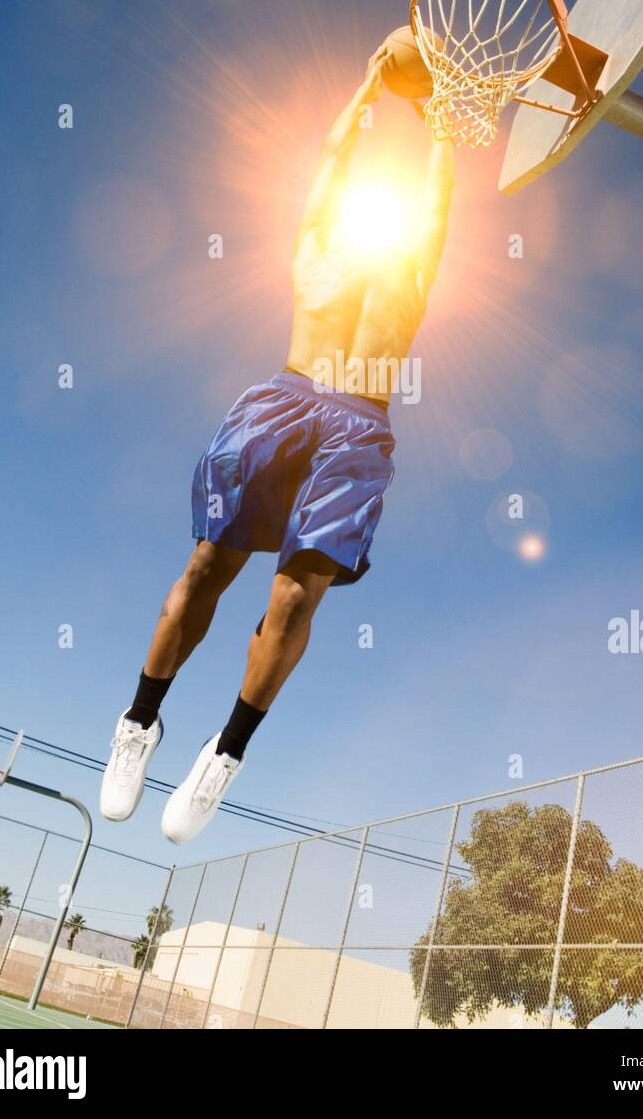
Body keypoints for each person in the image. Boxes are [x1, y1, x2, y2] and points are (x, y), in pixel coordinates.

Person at [100, 46, 455, 843]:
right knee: (205, 568)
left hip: (358, 423)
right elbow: (331, 161)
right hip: (281, 401)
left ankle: (224, 752)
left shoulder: (410, 267)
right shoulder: (319, 248)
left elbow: (435, 201)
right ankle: (139, 721)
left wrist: (439, 122)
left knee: (294, 597)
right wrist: (368, 79)